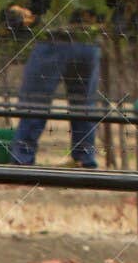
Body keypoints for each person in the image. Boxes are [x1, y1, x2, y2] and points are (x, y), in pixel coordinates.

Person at [9, 33, 102, 168]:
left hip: (53, 39)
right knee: (84, 104)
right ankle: (84, 160)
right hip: (89, 43)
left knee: (34, 102)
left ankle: (22, 159)